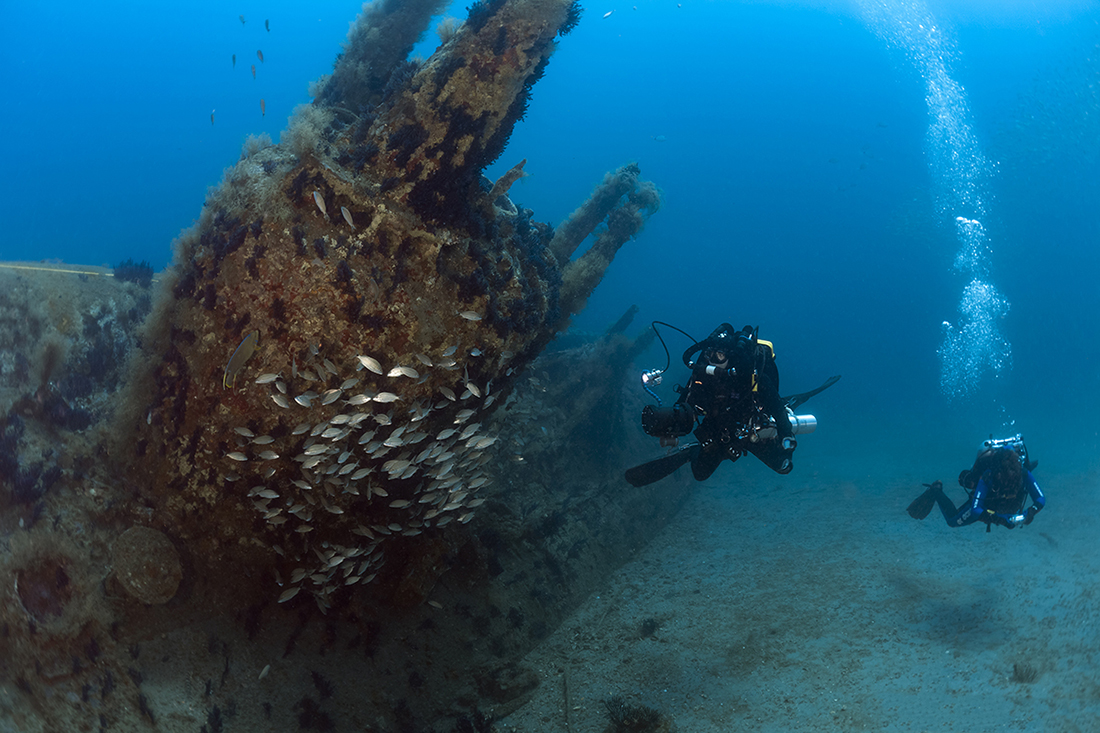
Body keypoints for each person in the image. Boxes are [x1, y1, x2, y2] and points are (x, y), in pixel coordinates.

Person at [630, 323, 816, 485]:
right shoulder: (702, 373)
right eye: (709, 354)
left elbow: (777, 411)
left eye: (719, 355)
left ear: (730, 357)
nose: (712, 359)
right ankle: (691, 452)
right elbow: (687, 403)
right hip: (719, 428)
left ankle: (790, 405)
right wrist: (671, 425)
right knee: (700, 474)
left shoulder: (749, 376)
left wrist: (786, 439)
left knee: (783, 467)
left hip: (751, 427)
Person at [907, 435, 1046, 531]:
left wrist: (1032, 511)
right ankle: (936, 490)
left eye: (1014, 476)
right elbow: (975, 509)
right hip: (987, 505)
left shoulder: (1023, 473)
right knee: (952, 521)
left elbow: (1040, 499)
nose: (1010, 479)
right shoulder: (989, 476)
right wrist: (1000, 520)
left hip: (1004, 508)